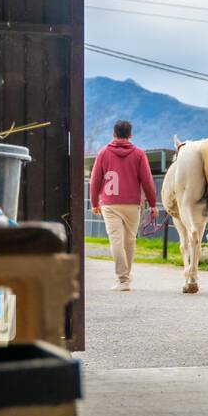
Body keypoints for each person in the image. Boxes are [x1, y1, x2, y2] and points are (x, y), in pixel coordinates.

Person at [90, 120, 159, 291]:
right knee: (130, 241)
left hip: (110, 203)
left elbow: (95, 180)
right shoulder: (139, 154)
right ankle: (126, 278)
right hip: (132, 204)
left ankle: (123, 280)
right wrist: (153, 204)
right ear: (130, 135)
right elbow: (148, 181)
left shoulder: (103, 152)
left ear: (113, 134)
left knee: (116, 240)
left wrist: (94, 202)